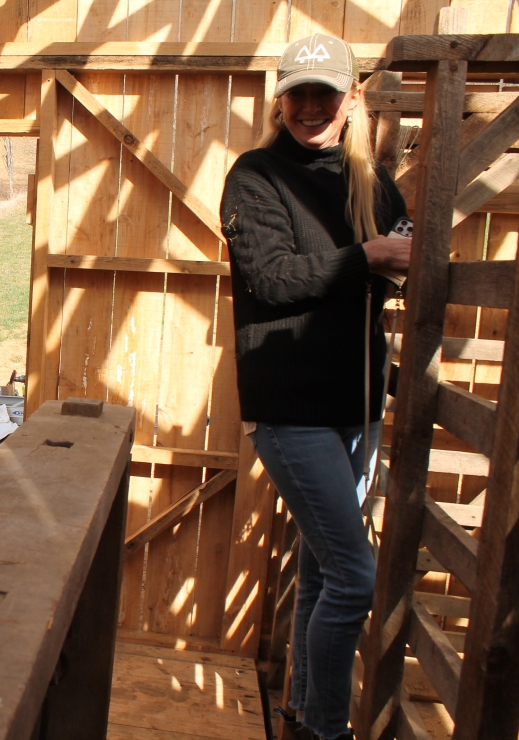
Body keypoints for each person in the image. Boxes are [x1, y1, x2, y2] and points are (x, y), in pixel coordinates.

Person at [220, 33, 413, 740]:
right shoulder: (256, 176)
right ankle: (327, 730)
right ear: (280, 98)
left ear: (350, 97)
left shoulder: (369, 181)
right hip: (290, 406)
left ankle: (301, 708)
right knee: (354, 579)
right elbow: (270, 280)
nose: (308, 107)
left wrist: (393, 254)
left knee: (320, 565)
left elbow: (401, 256)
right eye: (296, 93)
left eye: (323, 94)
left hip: (355, 404)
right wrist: (368, 256)